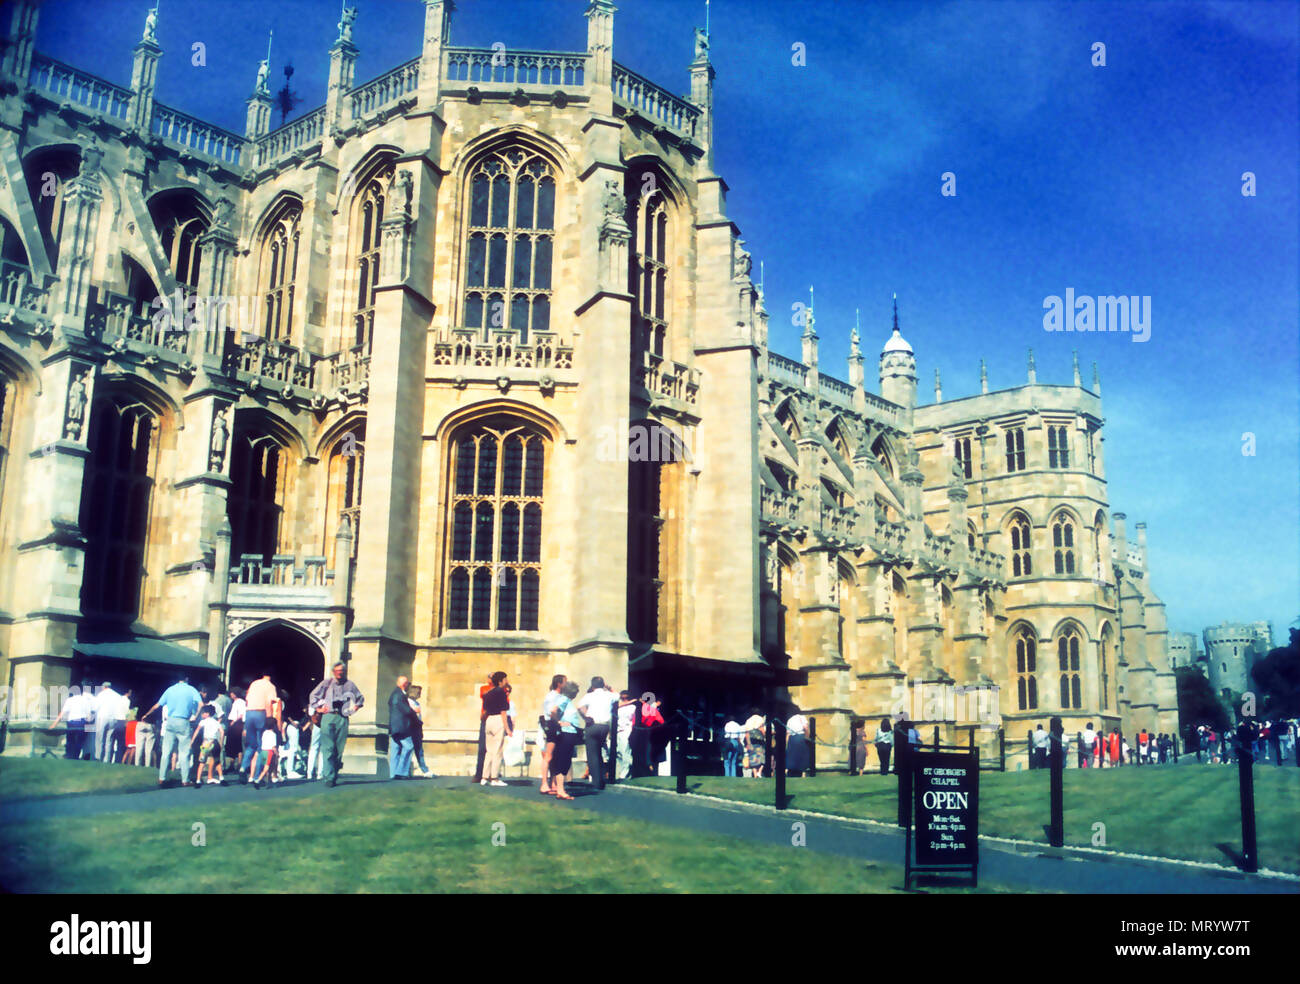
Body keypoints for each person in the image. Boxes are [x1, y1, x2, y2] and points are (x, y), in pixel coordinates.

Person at [306, 662, 364, 786]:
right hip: (328, 716)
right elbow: (313, 696)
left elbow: (360, 699)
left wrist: (354, 709)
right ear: (333, 672)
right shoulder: (326, 684)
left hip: (342, 717)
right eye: (337, 671)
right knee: (328, 747)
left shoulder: (350, 685)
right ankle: (329, 777)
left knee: (339, 748)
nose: (339, 673)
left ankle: (335, 770)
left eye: (341, 671)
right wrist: (318, 709)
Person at [143, 674, 203, 787]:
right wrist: (195, 715)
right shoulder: (191, 689)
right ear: (187, 679)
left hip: (170, 721)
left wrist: (146, 714)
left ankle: (162, 777)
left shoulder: (170, 690)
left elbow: (157, 705)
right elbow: (201, 704)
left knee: (166, 751)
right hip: (183, 721)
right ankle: (185, 779)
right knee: (184, 752)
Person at [577, 676, 616, 789]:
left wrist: (586, 717)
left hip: (592, 725)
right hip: (604, 726)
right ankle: (602, 777)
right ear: (603, 684)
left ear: (592, 685)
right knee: (599, 752)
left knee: (592, 754)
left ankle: (596, 781)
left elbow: (579, 707)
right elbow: (617, 696)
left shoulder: (589, 695)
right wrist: (610, 688)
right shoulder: (609, 695)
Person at [550, 681, 584, 800]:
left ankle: (560, 789)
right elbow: (553, 711)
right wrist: (559, 722)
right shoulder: (564, 700)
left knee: (564, 760)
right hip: (567, 732)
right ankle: (560, 790)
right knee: (563, 760)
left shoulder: (566, 701)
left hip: (570, 732)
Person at [480, 671, 511, 786]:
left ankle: (484, 777)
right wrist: (507, 728)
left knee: (489, 750)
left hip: (489, 720)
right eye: (505, 679)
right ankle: (494, 778)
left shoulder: (488, 693)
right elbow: (503, 712)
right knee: (497, 750)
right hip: (498, 720)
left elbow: (485, 710)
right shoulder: (501, 693)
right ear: (500, 681)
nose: (507, 681)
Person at [538, 674, 567, 794]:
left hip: (553, 725)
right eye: (565, 682)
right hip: (552, 725)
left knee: (554, 756)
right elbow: (551, 712)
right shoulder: (553, 696)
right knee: (548, 756)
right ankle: (544, 784)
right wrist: (559, 722)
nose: (567, 684)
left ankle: (552, 783)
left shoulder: (557, 696)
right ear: (559, 684)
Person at [386, 675, 419, 779]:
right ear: (404, 685)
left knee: (395, 749)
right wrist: (415, 712)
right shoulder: (399, 695)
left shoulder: (394, 694)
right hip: (401, 727)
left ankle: (393, 774)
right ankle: (401, 772)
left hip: (394, 727)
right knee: (408, 746)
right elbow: (406, 710)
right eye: (408, 684)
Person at [51, 683, 93, 761]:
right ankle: (76, 756)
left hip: (72, 722)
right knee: (79, 741)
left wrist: (54, 724)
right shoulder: (86, 701)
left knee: (70, 740)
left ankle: (68, 755)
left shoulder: (70, 700)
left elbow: (62, 713)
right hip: (82, 722)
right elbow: (89, 715)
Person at [191, 705, 225, 786]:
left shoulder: (203, 721)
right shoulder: (216, 722)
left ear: (207, 713)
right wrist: (221, 742)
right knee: (217, 761)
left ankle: (198, 780)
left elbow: (197, 731)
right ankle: (221, 778)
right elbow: (222, 732)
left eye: (203, 713)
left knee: (202, 762)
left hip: (206, 743)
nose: (202, 715)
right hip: (215, 742)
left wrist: (192, 741)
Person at [91, 681, 122, 762]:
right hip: (113, 718)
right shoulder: (117, 695)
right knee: (109, 740)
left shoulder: (101, 694)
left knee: (99, 739)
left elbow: (95, 707)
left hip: (102, 717)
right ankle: (107, 759)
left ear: (104, 687)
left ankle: (98, 757)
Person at [407, 685, 432, 777]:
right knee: (408, 750)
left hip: (417, 729)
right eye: (418, 693)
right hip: (411, 729)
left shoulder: (417, 703)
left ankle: (425, 770)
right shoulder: (408, 702)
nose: (419, 695)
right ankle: (406, 770)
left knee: (419, 750)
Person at [473, 673, 493, 782]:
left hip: (495, 719)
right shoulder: (484, 688)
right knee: (482, 748)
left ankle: (491, 774)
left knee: (493, 749)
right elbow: (485, 694)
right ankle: (479, 774)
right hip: (485, 719)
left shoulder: (500, 690)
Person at [251, 716, 279, 788]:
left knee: (268, 767)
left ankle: (269, 782)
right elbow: (273, 747)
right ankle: (257, 780)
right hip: (269, 752)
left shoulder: (264, 733)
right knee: (267, 768)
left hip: (263, 751)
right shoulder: (273, 734)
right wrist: (277, 754)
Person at [615, 691, 637, 780]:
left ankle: (625, 773)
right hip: (617, 730)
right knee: (618, 752)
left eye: (626, 698)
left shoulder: (633, 707)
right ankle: (623, 771)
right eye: (622, 698)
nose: (624, 699)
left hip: (626, 730)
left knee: (625, 752)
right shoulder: (619, 707)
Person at [785, 705, 810, 777]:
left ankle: (793, 771)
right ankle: (802, 772)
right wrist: (807, 738)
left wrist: (786, 744)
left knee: (792, 756)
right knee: (802, 755)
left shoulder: (790, 720)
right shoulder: (802, 717)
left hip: (792, 739)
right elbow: (806, 728)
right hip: (800, 737)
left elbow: (788, 733)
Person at [226, 687, 246, 772]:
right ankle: (232, 764)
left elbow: (241, 714)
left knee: (237, 744)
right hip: (234, 724)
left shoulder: (240, 702)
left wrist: (234, 722)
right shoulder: (235, 702)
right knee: (232, 744)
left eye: (232, 693)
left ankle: (239, 764)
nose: (231, 694)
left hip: (237, 724)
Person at [742, 708, 766, 778]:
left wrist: (748, 743)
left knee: (753, 758)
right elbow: (762, 730)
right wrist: (765, 737)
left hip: (751, 741)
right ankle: (759, 772)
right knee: (762, 758)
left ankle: (755, 774)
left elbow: (746, 733)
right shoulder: (760, 719)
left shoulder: (748, 720)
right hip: (759, 742)